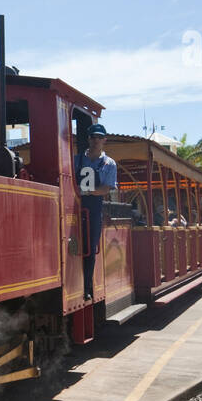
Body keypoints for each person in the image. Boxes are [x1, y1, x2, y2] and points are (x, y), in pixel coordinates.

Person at [75, 124, 118, 300]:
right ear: (88, 139)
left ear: (104, 140)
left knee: (90, 247)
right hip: (73, 206)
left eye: (99, 137)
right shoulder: (76, 159)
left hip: (93, 208)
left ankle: (87, 286)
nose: (96, 140)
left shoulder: (109, 163)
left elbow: (106, 188)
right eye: (93, 137)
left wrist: (86, 192)